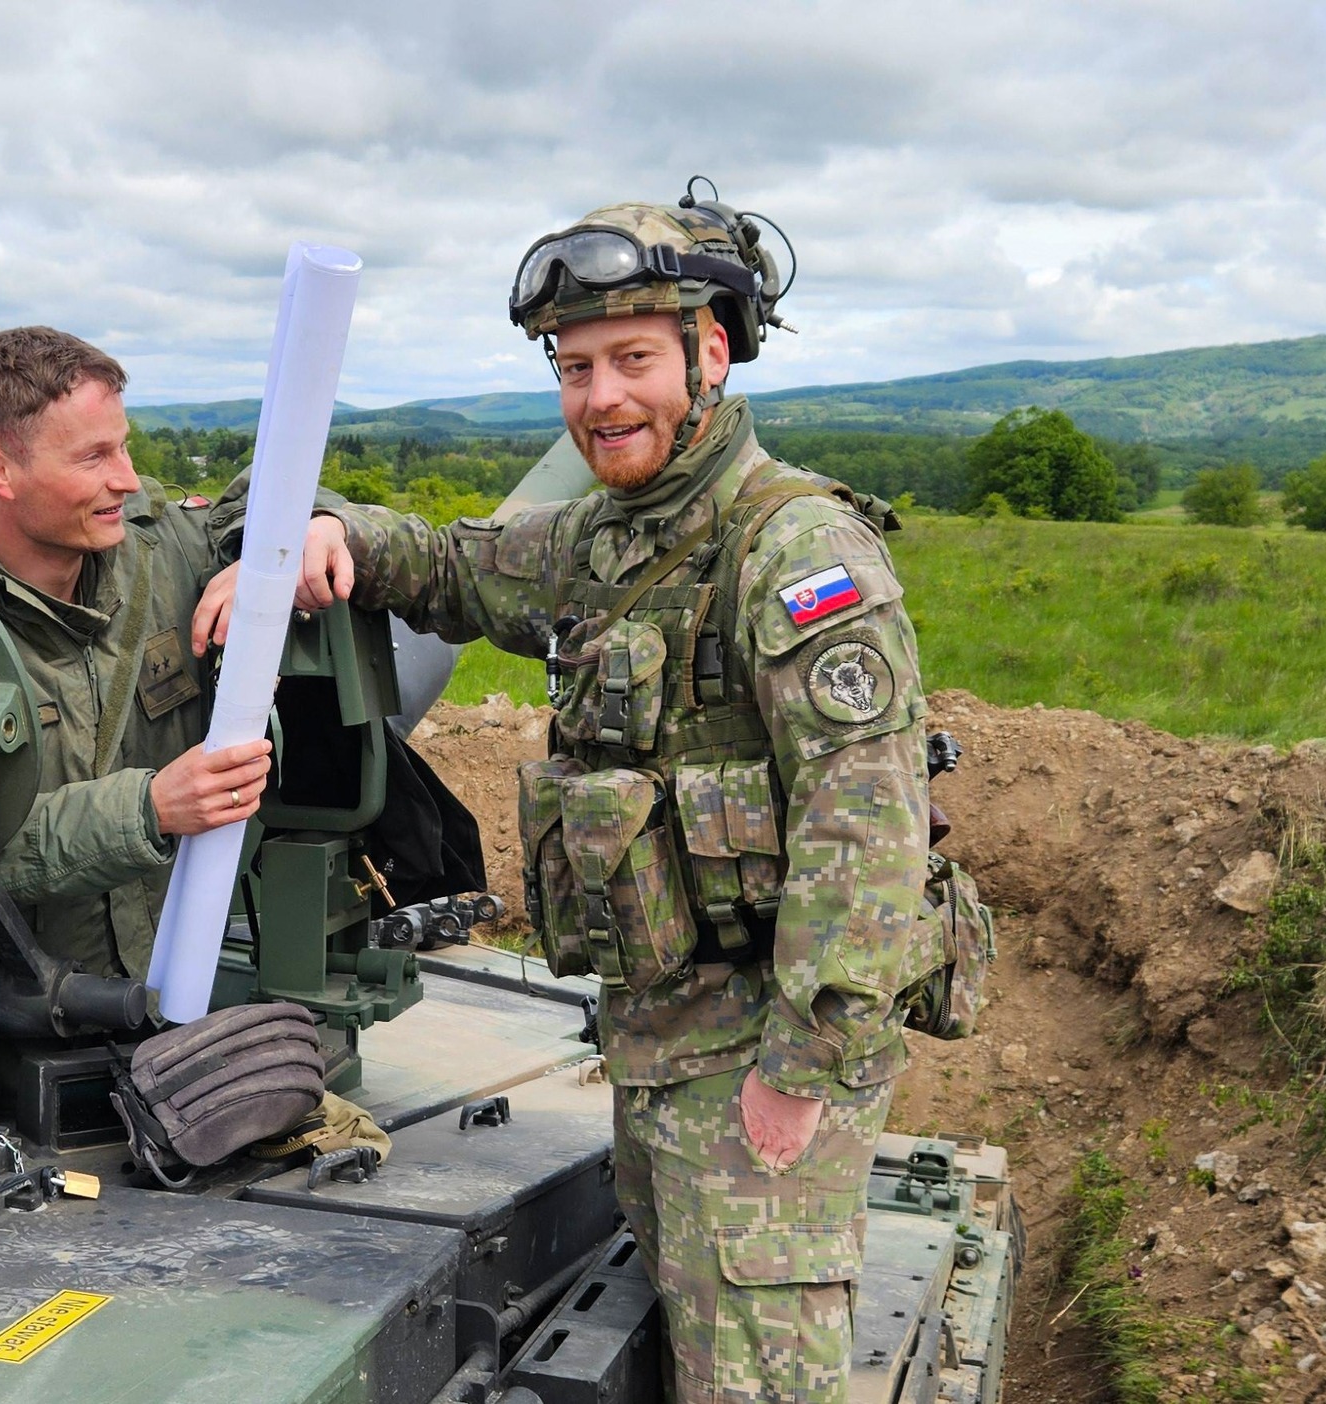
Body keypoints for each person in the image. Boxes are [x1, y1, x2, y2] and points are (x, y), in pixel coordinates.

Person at [223, 191, 939, 1403]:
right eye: (573, 368)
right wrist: (329, 524)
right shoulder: (605, 541)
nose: (599, 398)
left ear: (709, 353)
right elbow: (452, 566)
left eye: (631, 362)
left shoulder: (793, 552)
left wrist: (799, 1073)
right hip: (659, 1040)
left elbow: (863, 829)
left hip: (756, 1060)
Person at [0, 326, 270, 983]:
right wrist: (148, 810)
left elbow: (276, 502)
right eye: (94, 457)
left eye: (122, 447)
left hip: (163, 994)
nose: (127, 479)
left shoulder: (153, 548)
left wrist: (284, 550)